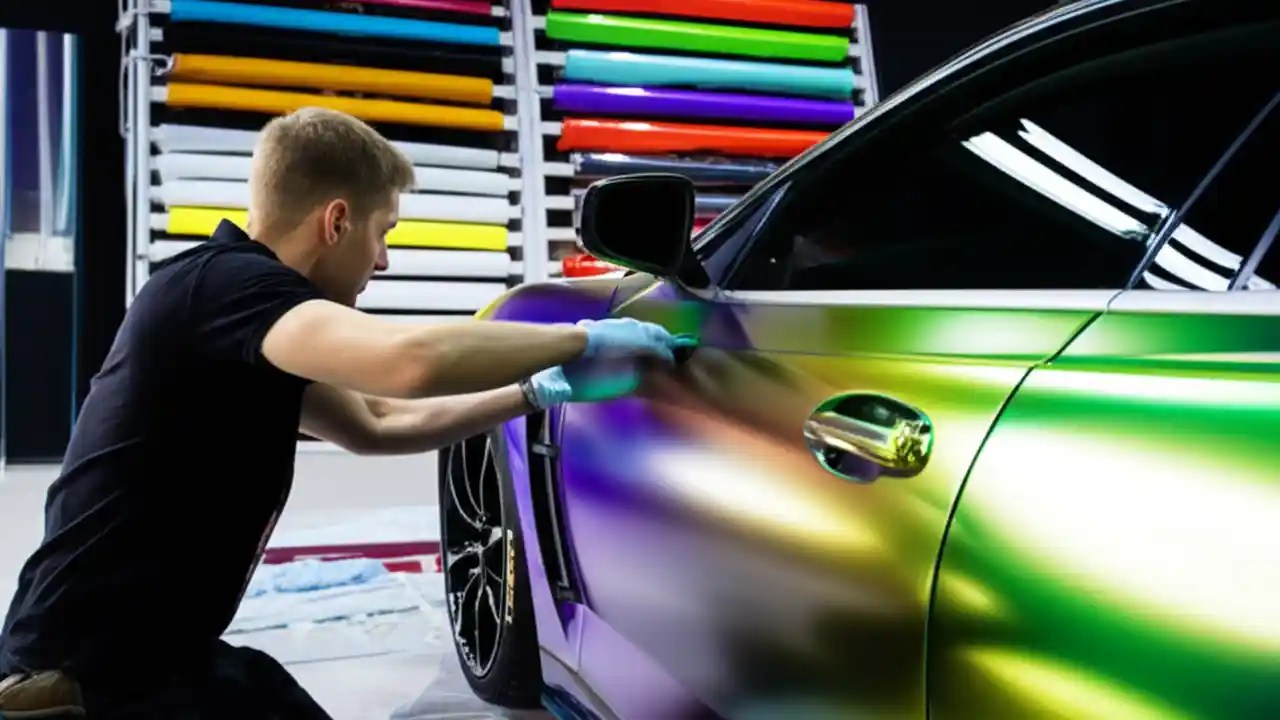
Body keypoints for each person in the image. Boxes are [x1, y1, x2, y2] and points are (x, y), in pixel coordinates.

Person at [0, 107, 678, 718]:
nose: (381, 260)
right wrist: (583, 338)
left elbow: (376, 423)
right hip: (77, 688)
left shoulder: (237, 318)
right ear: (336, 221)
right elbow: (408, 361)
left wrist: (534, 393)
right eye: (383, 233)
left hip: (156, 660)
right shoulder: (225, 288)